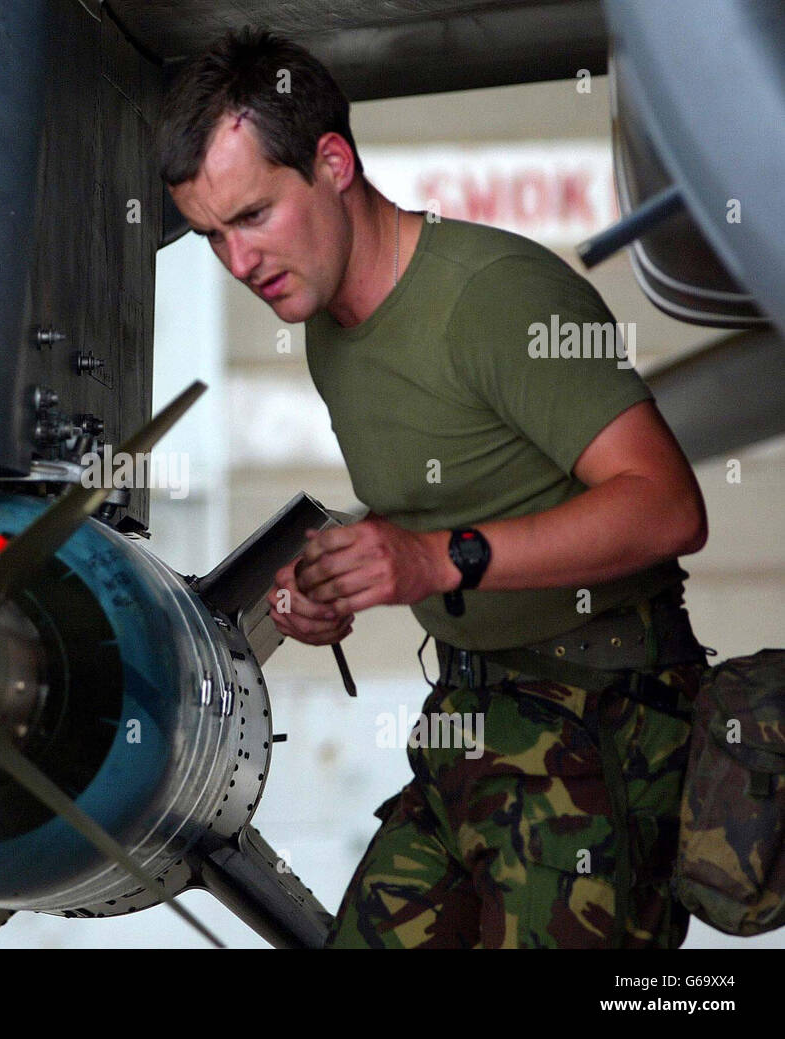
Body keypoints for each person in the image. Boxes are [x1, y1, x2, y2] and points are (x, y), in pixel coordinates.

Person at [157, 29, 710, 948]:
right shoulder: (330, 323)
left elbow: (665, 505)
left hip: (603, 723)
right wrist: (347, 570)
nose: (239, 263)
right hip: (469, 720)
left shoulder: (496, 295)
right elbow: (444, 503)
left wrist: (433, 559)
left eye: (253, 215)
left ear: (333, 163)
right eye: (213, 236)